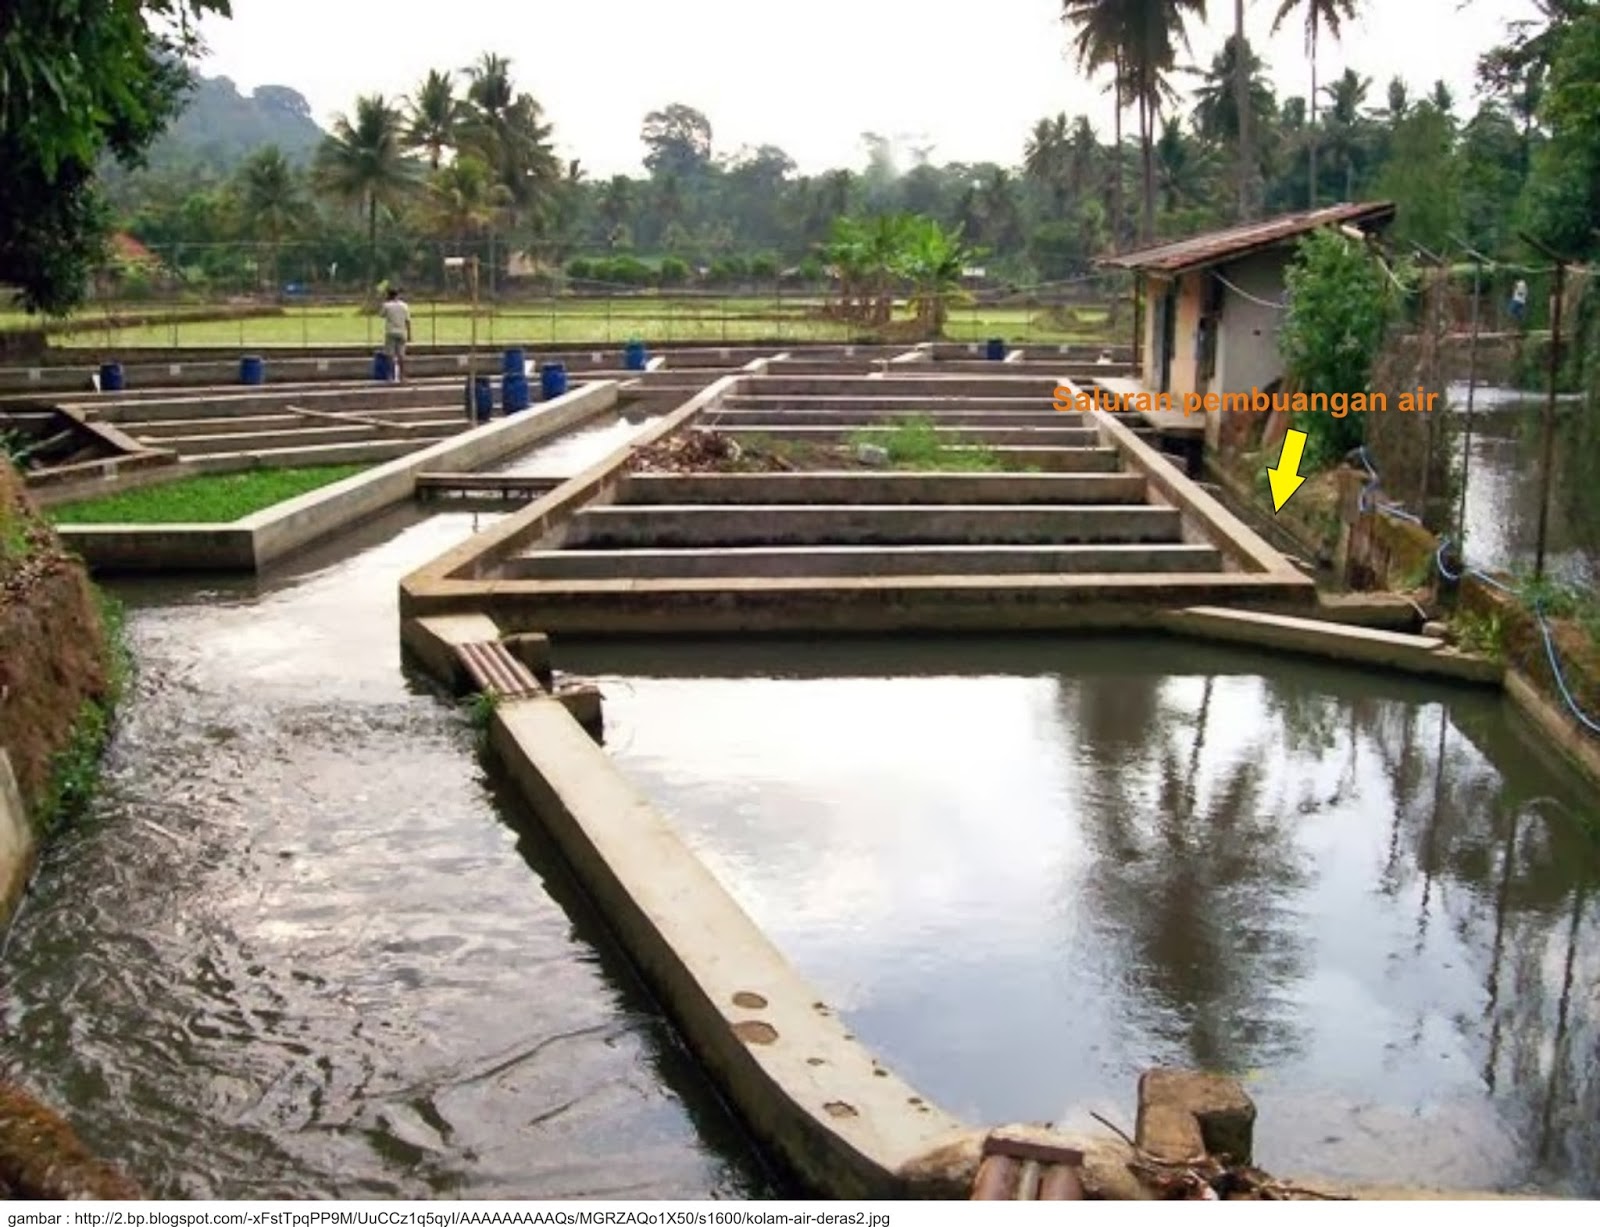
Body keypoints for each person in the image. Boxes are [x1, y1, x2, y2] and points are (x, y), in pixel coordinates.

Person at [378, 286, 412, 382]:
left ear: (389, 295)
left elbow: (381, 315)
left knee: (390, 356)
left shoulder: (387, 305)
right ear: (398, 295)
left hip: (391, 332)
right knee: (401, 355)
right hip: (402, 332)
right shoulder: (404, 306)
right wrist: (409, 334)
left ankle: (390, 376)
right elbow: (408, 321)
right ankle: (402, 376)